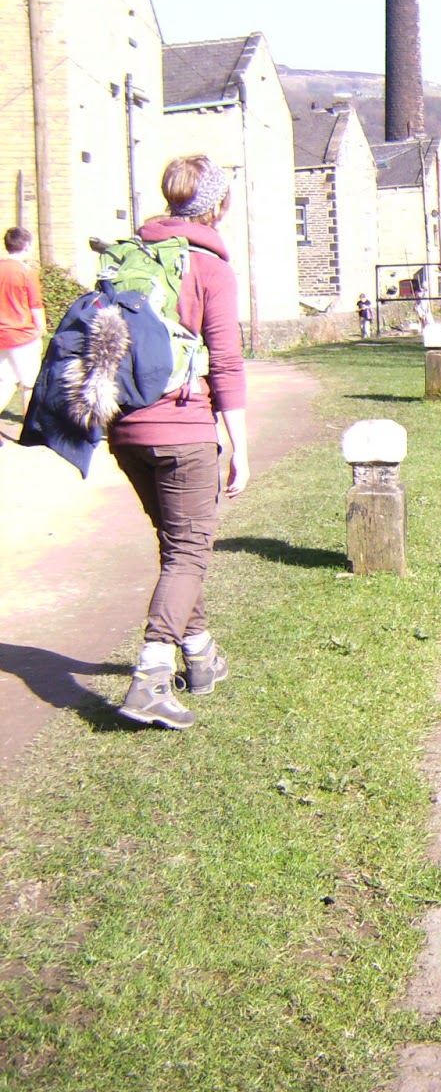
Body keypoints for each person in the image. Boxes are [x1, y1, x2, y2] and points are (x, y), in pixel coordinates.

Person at [111, 154, 249, 730]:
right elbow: (227, 361)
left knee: (176, 548)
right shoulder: (209, 265)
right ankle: (150, 676)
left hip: (124, 428)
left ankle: (201, 655)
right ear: (216, 206)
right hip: (184, 430)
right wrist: (240, 445)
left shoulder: (129, 257)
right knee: (190, 552)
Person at [0, 226, 46, 443]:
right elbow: (35, 306)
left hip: (1, 334)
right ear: (26, 245)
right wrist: (40, 331)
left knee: (4, 381)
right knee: (29, 383)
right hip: (22, 334)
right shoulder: (27, 272)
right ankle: (29, 432)